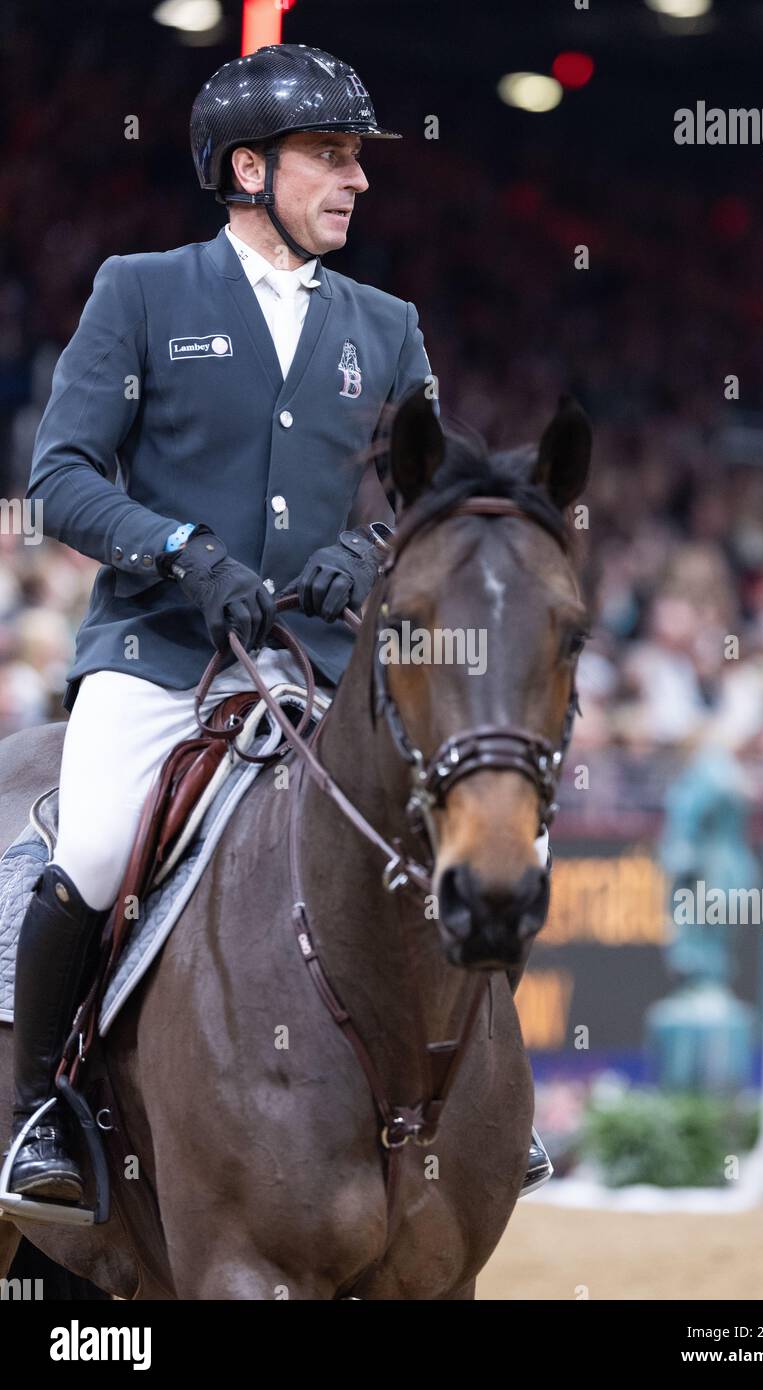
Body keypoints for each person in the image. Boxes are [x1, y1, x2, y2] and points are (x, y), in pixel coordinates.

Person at [4, 43, 552, 1201]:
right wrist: (181, 552)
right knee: (95, 842)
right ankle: (37, 1114)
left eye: (357, 159)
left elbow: (427, 491)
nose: (354, 179)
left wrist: (364, 553)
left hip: (319, 664)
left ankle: (494, 1103)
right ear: (247, 169)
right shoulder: (142, 290)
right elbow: (59, 475)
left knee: (460, 828)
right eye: (328, 156)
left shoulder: (384, 323)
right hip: (160, 656)